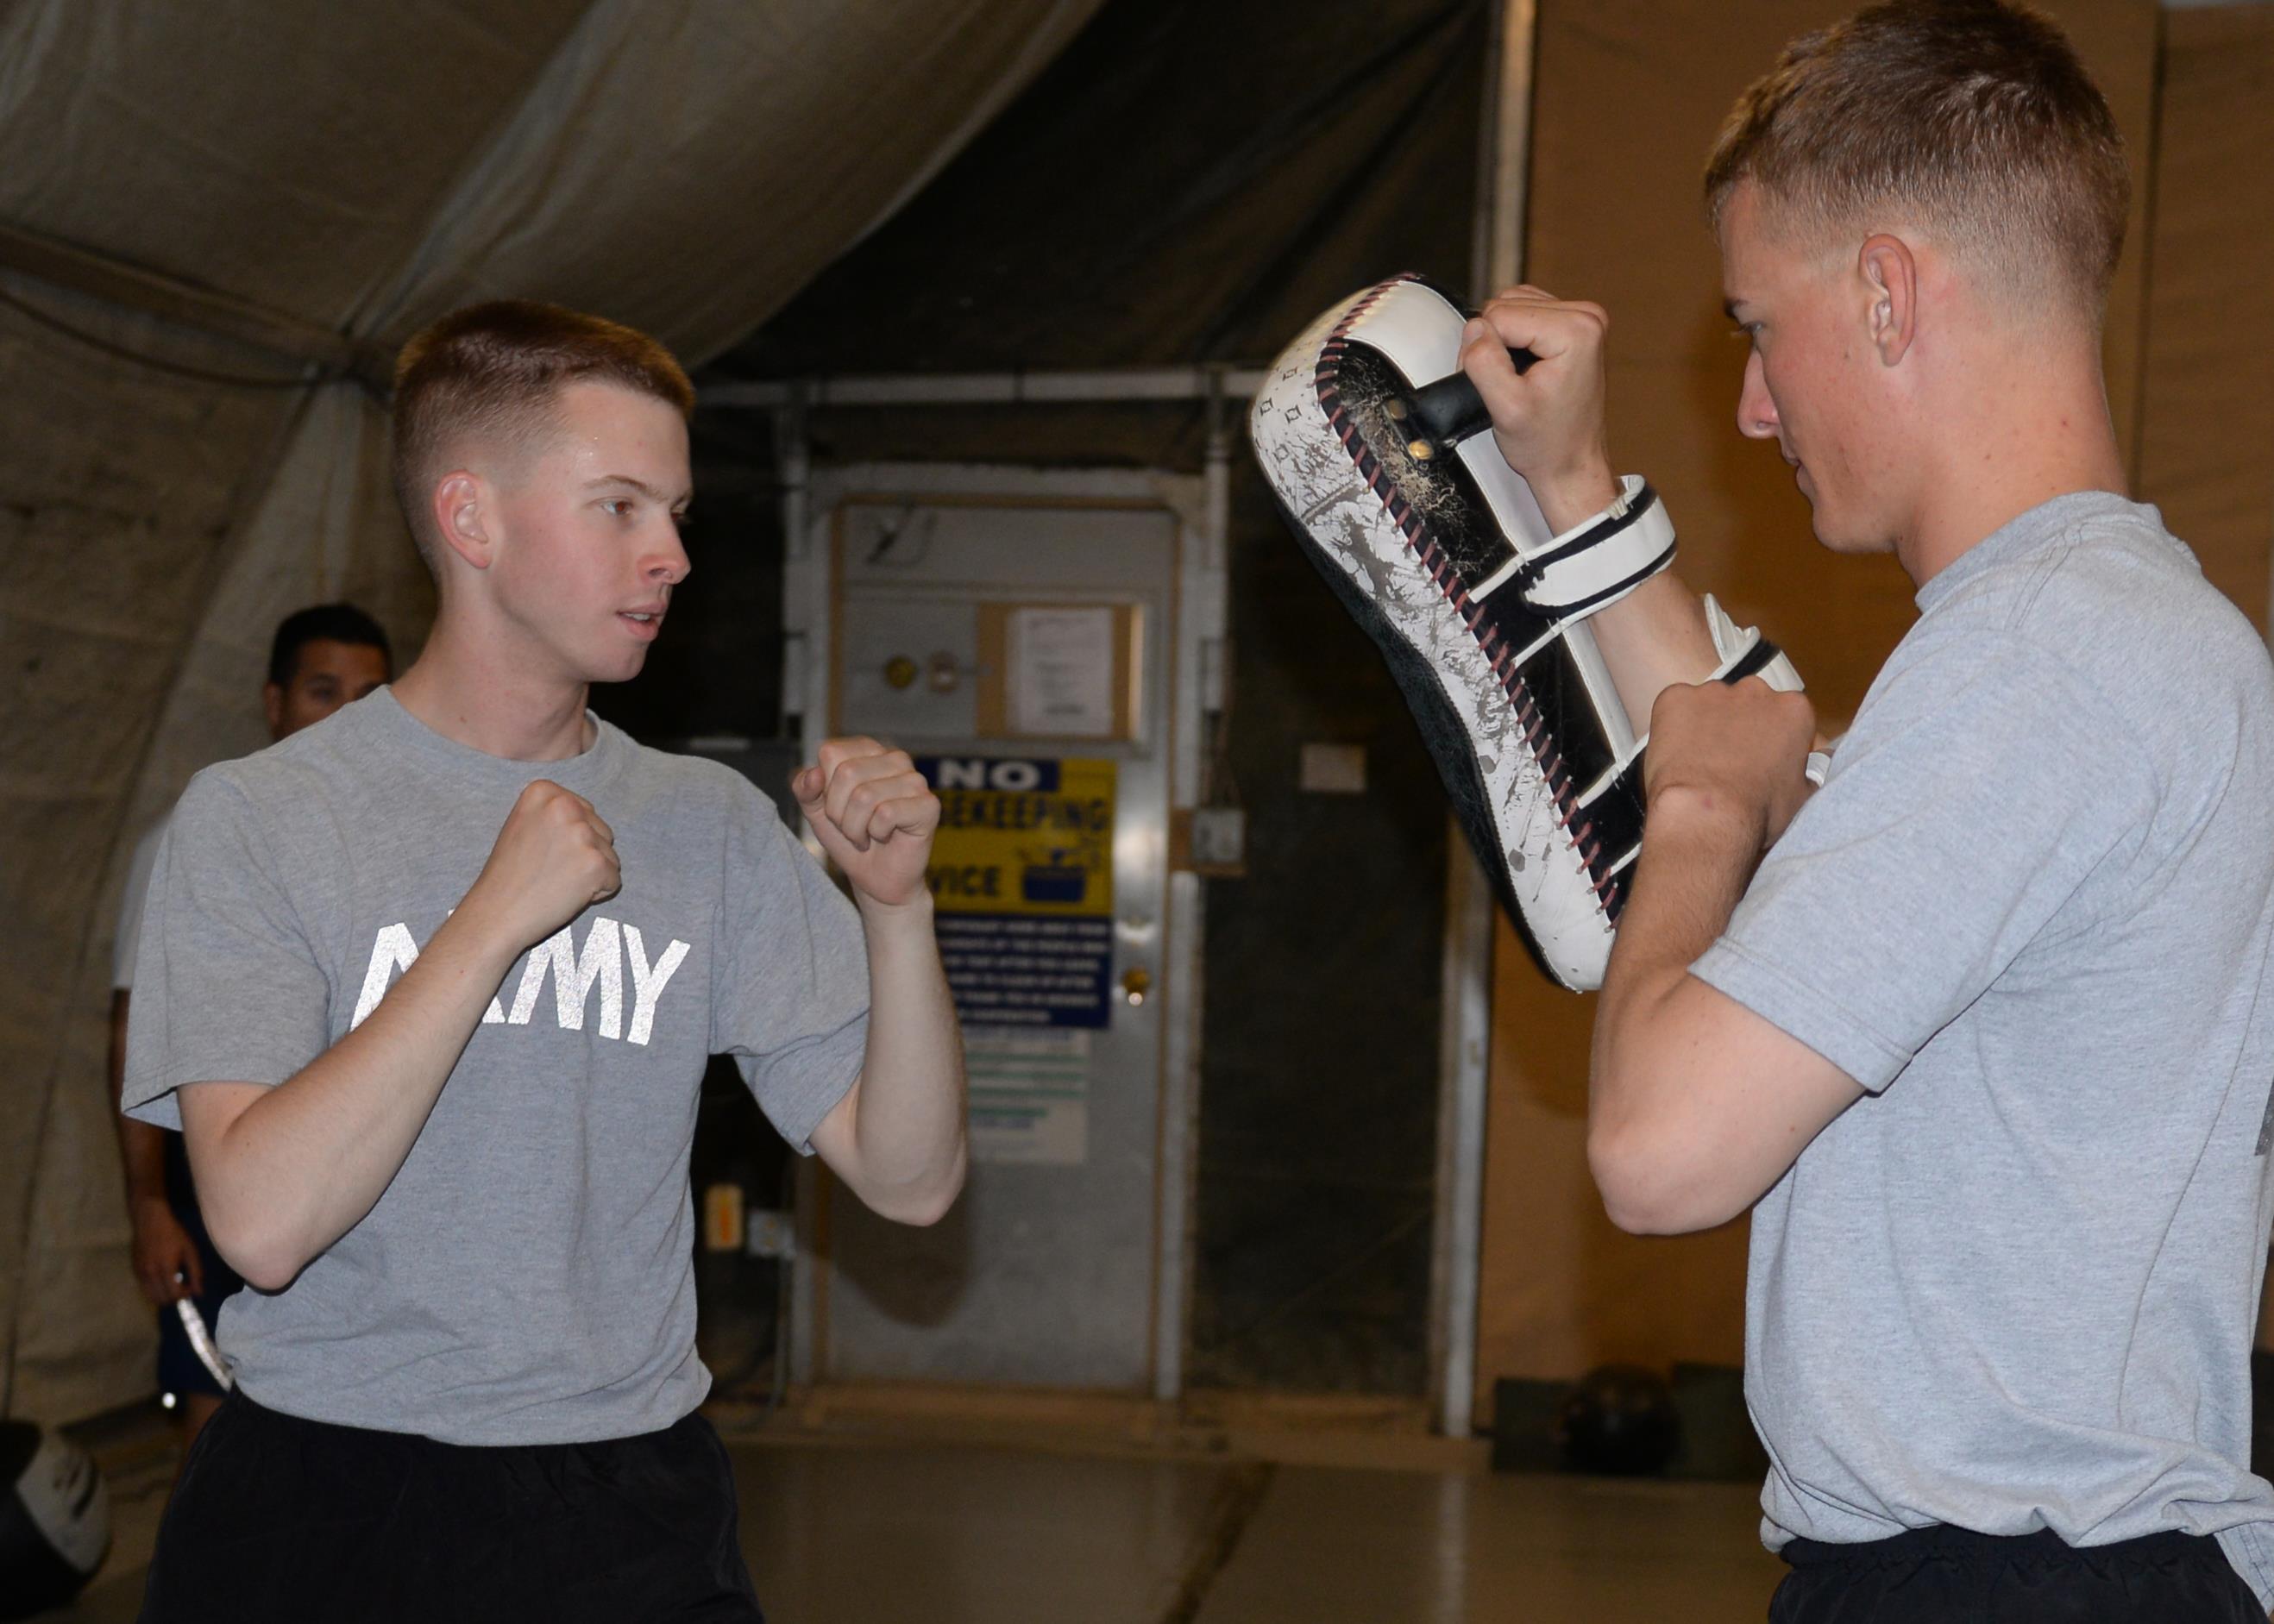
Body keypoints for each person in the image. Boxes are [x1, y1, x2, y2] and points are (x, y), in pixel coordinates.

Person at [1458, 1, 2274, 1618]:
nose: (1754, 406)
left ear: (1888, 293)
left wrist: (1690, 807)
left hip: (2006, 1581)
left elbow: (1657, 1147)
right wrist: (1570, 483)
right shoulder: (2098, 642)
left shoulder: (2042, 666)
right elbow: (1774, 752)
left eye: (1762, 327)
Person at [121, 300, 967, 1622]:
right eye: (621, 505)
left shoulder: (711, 827)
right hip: (324, 1492)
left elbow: (910, 1179)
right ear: (473, 519)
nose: (673, 555)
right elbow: (263, 1223)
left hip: (626, 1506)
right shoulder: (262, 817)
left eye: (677, 513)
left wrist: (899, 914)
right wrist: (489, 920)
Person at [108, 604, 393, 1457]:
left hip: (366, 1175)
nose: (345, 717)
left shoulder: (405, 847)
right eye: (321, 690)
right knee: (221, 1409)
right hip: (231, 1172)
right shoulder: (198, 837)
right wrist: (151, 1202)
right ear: (273, 703)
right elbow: (134, 1029)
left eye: (369, 695)